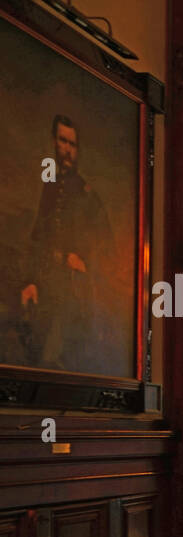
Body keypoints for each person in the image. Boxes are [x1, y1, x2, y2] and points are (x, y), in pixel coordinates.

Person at [19, 114, 111, 370]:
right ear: (53, 142)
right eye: (62, 141)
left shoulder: (87, 195)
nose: (67, 149)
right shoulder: (50, 186)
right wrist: (30, 281)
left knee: (64, 356)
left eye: (72, 144)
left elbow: (107, 245)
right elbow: (38, 237)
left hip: (74, 290)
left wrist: (84, 262)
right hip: (46, 283)